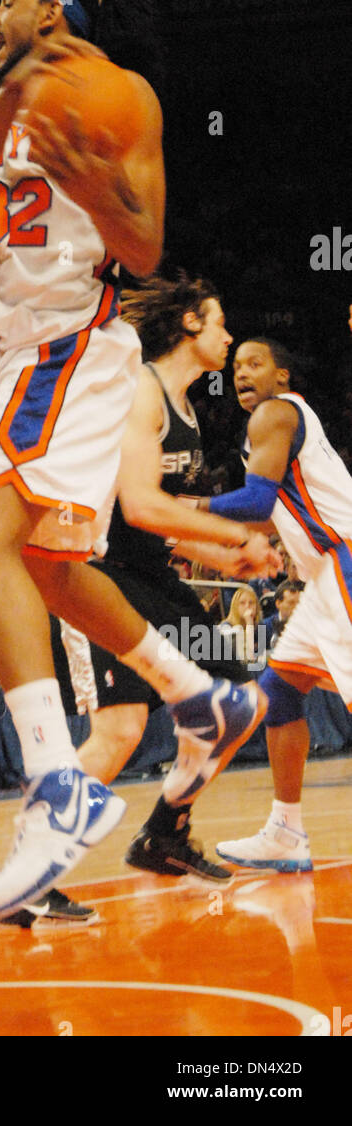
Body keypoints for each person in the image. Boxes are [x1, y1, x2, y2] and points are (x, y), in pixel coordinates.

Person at [0, 0, 265, 920]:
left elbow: (147, 247)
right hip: (1, 359)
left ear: (57, 7)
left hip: (67, 343)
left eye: (9, 0)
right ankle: (195, 691)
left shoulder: (125, 96)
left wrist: (83, 174)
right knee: (37, 566)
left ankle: (56, 782)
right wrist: (10, 92)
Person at [11, 275, 280, 925]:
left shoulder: (188, 409)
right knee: (120, 730)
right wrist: (231, 533)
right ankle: (30, 872)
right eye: (219, 323)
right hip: (97, 573)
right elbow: (138, 504)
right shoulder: (141, 392)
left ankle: (166, 830)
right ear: (189, 324)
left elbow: (160, 524)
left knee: (238, 700)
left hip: (151, 574)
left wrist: (232, 559)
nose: (227, 335)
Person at [209, 338, 352, 871]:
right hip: (323, 577)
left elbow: (254, 501)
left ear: (282, 376)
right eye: (236, 365)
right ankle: (286, 832)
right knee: (278, 694)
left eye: (255, 363)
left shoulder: (276, 412)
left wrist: (179, 505)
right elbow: (269, 514)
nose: (242, 372)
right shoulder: (268, 429)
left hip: (344, 560)